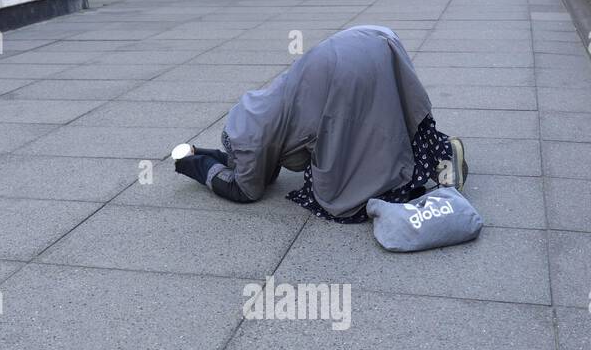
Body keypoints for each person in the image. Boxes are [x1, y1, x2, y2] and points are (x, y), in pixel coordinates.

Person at [170, 26, 466, 222]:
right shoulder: (254, 108)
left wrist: (189, 165)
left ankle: (434, 169)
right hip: (367, 39)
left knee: (348, 174)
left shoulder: (250, 143)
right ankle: (443, 156)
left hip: (344, 73)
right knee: (389, 111)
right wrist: (197, 149)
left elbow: (245, 190)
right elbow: (257, 162)